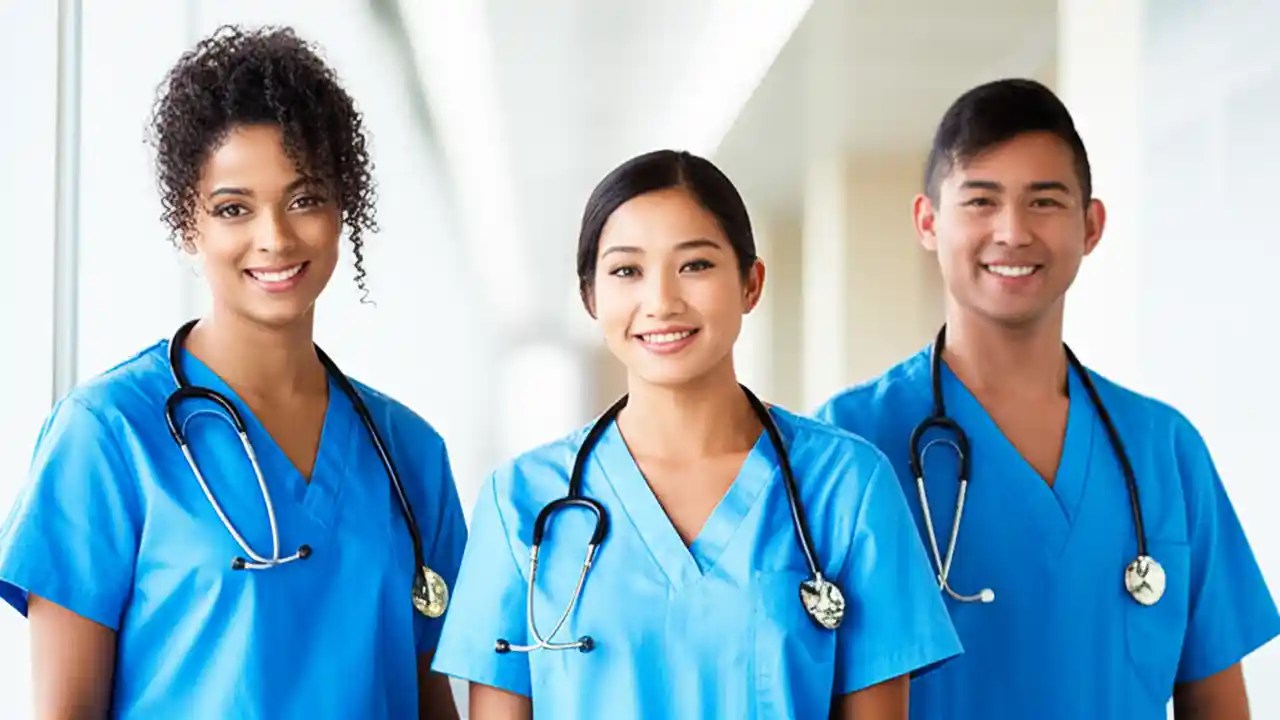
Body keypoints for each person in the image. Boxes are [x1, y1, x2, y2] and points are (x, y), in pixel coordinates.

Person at [0, 26, 465, 719]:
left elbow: (434, 703)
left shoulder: (409, 453)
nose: (275, 236)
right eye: (233, 208)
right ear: (189, 225)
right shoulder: (106, 436)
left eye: (305, 197)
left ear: (345, 209)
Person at [431, 149, 962, 719]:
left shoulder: (846, 487)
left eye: (695, 265)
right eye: (626, 271)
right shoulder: (522, 501)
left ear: (751, 284)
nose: (661, 301)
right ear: (590, 296)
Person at [815, 78, 1280, 719]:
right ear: (928, 222)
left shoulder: (1163, 450)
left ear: (1091, 226)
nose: (1012, 231)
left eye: (1044, 202)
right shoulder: (850, 442)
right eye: (980, 201)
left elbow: (1219, 703)